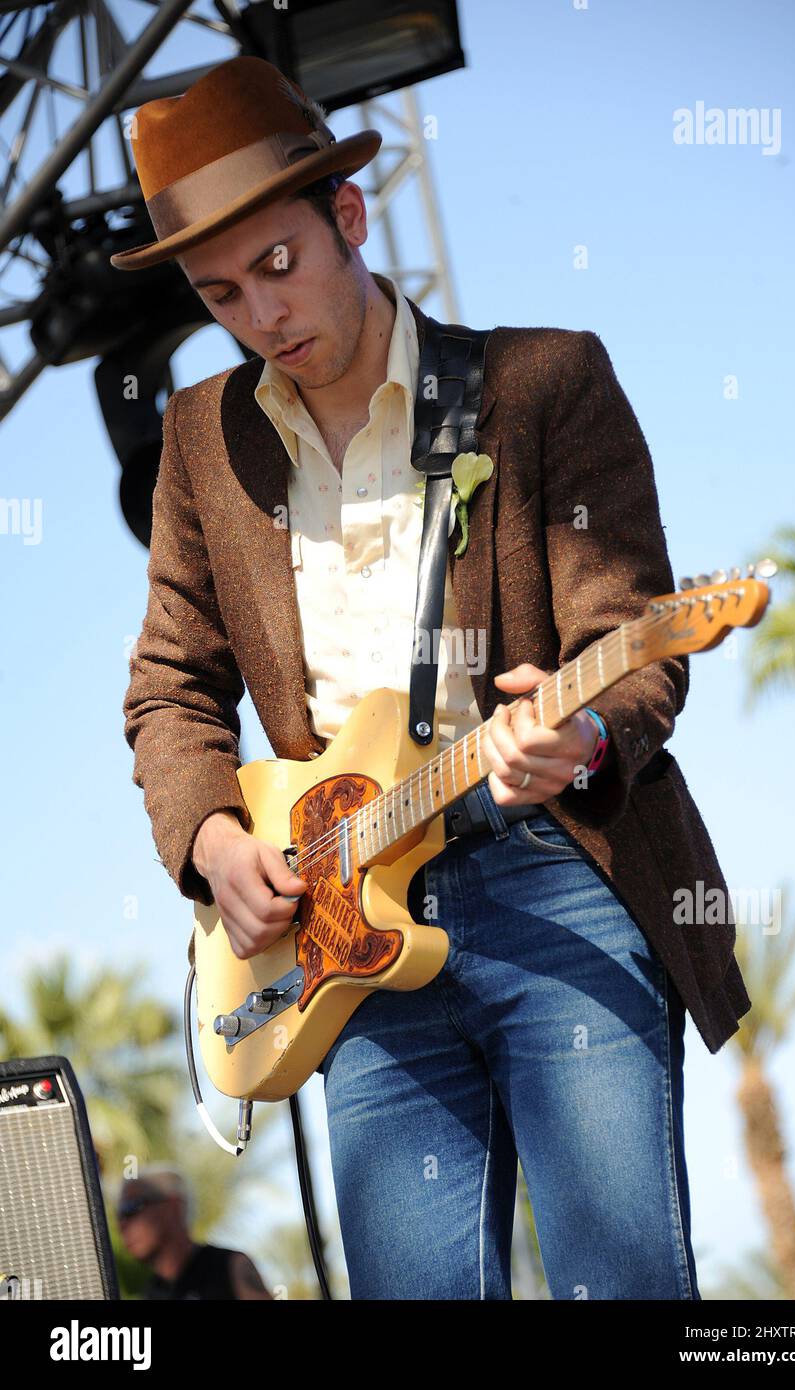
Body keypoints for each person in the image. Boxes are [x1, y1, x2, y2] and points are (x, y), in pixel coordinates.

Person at [114, 55, 751, 1300]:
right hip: (344, 942)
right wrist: (209, 841)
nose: (261, 314)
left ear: (349, 218)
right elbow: (168, 691)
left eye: (281, 264)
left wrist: (586, 742)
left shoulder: (543, 381)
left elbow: (631, 643)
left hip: (555, 874)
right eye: (221, 293)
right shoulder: (197, 442)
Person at [115, 1167, 272, 1300]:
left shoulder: (228, 1265)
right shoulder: (152, 1293)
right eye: (119, 1215)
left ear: (173, 1207)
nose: (121, 1224)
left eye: (131, 1207)